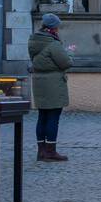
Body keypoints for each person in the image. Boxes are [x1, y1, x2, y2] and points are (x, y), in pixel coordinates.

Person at [28, 12, 72, 162]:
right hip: (53, 83)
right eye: (57, 27)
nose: (58, 29)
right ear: (53, 28)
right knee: (53, 117)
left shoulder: (34, 40)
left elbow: (40, 60)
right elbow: (65, 63)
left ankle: (41, 151)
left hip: (39, 82)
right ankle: (50, 152)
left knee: (42, 117)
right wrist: (69, 55)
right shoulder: (53, 43)